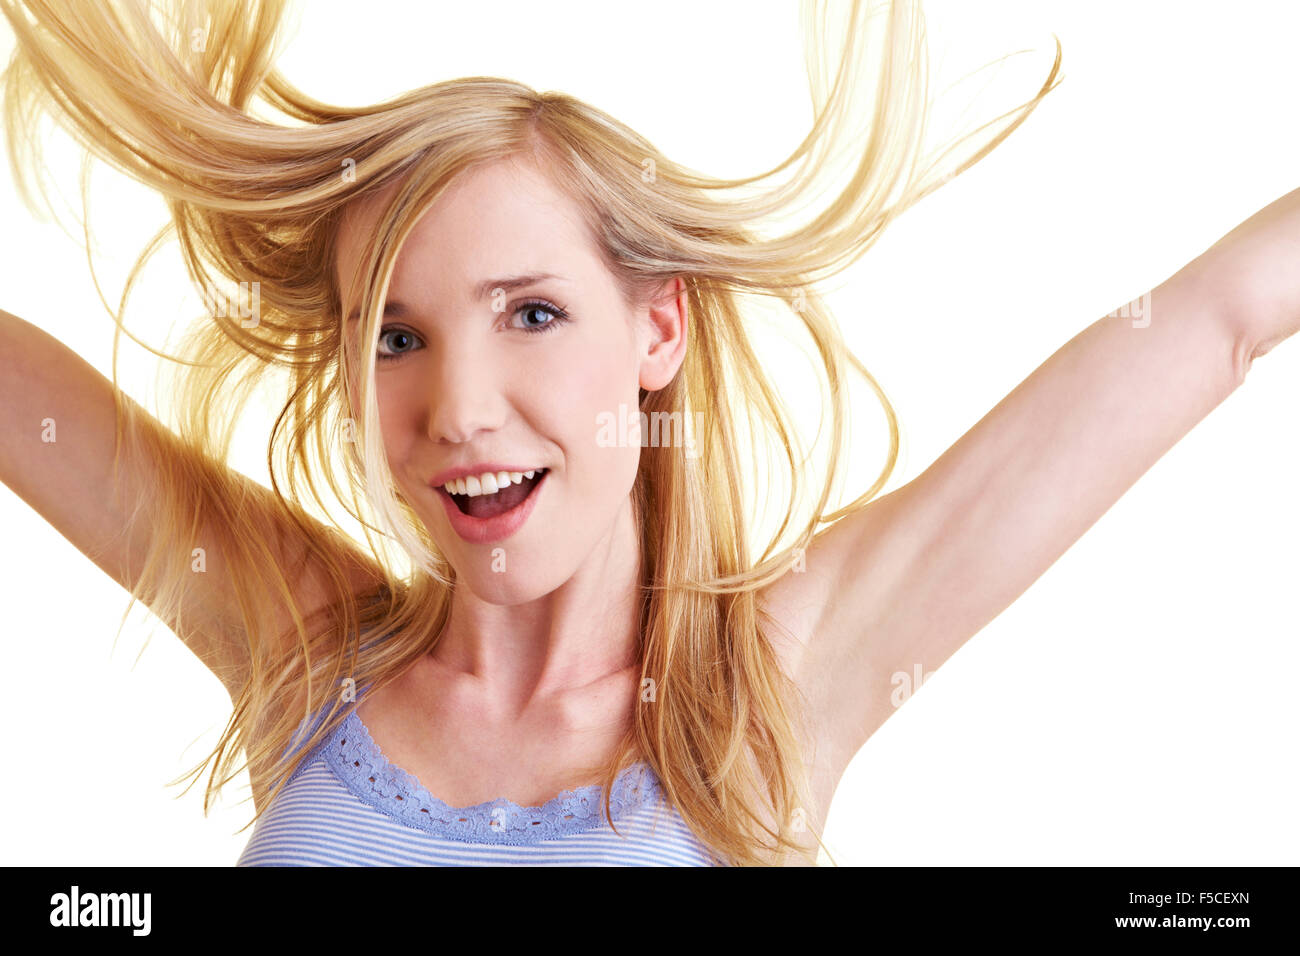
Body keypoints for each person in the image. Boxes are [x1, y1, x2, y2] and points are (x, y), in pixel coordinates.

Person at [1, 0, 1296, 866]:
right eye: (395, 337)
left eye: (533, 314)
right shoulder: (306, 653)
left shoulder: (766, 698)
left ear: (658, 333)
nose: (456, 410)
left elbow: (1212, 322)